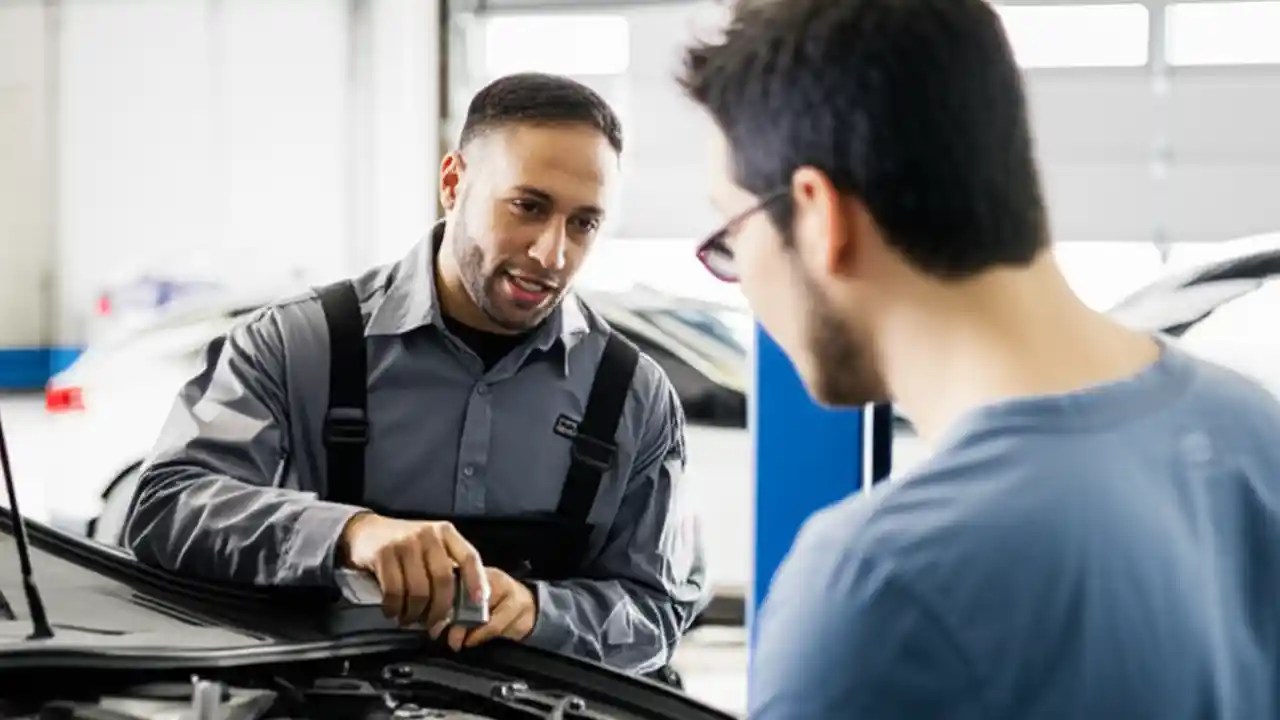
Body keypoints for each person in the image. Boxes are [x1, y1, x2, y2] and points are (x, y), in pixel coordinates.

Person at [680, 1, 1280, 718]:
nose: (739, 271)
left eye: (732, 231)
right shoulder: (1248, 427)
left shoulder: (882, 580)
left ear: (818, 216)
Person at [124, 72, 707, 677]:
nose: (551, 254)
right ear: (453, 183)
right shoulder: (296, 346)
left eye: (583, 223)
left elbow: (658, 612)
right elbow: (167, 507)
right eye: (528, 207)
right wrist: (348, 534)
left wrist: (541, 612)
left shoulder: (634, 397)